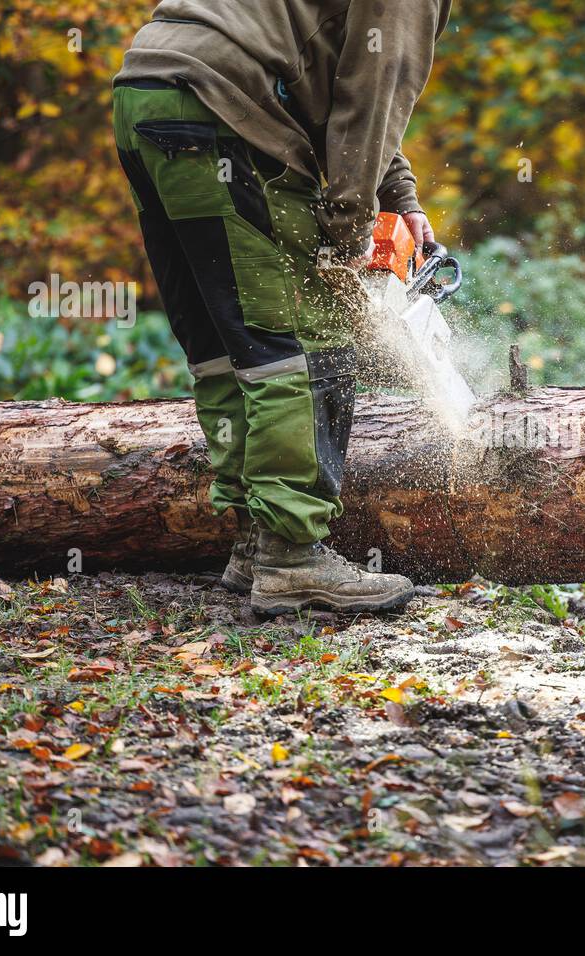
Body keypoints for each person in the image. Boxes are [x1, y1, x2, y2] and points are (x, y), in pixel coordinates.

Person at [111, 1, 450, 615]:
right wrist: (348, 238)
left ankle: (253, 540)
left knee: (225, 340)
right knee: (301, 344)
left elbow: (346, 90)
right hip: (223, 105)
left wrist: (400, 199)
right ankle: (292, 555)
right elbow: (372, 98)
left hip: (146, 91)